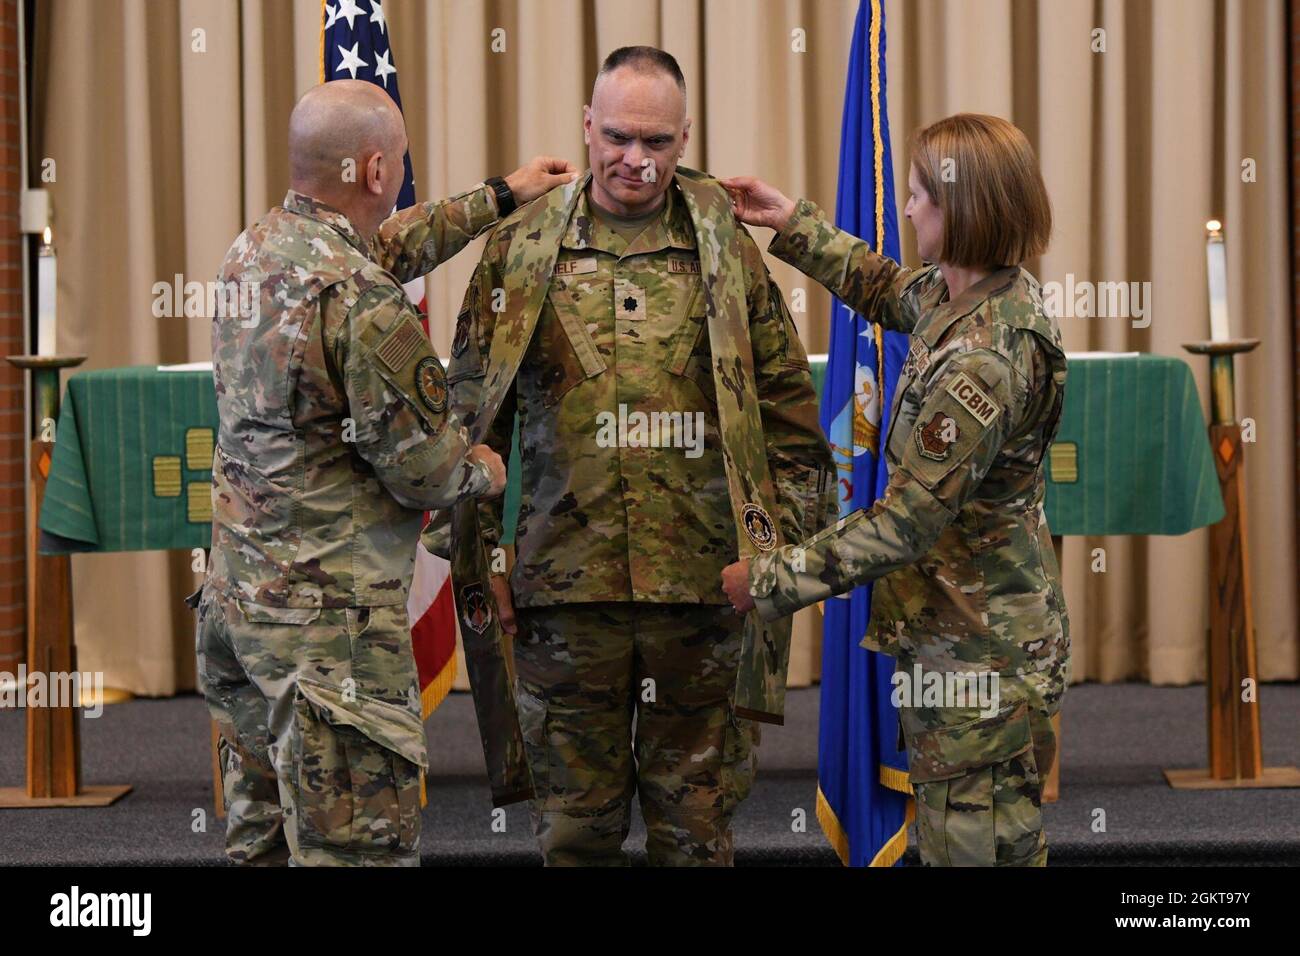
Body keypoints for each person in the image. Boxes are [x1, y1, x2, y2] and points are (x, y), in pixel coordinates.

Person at [445, 46, 834, 866]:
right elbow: (470, 422)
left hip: (705, 595)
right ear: (587, 126)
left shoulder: (726, 247)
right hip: (563, 596)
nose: (636, 159)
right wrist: (486, 562)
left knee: (695, 838)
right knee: (573, 837)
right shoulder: (520, 250)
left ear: (685, 138)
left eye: (657, 142)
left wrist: (778, 561)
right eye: (618, 137)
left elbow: (791, 421)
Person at [194, 78, 575, 866]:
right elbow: (423, 473)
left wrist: (501, 195)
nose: (399, 177)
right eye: (397, 163)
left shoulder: (252, 251)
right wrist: (485, 469)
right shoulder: (364, 302)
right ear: (375, 170)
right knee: (355, 854)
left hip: (240, 614)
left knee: (262, 846)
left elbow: (392, 244)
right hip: (328, 639)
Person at [720, 113, 1070, 867]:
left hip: (980, 660)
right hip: (959, 641)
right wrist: (790, 222)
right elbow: (884, 287)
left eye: (918, 196)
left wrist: (770, 581)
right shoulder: (965, 294)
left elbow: (905, 523)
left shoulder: (983, 358)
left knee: (977, 852)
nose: (907, 210)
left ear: (961, 208)